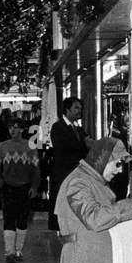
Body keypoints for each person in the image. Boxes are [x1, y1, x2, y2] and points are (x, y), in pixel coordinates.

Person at [0, 117, 41, 263]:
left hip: (25, 188)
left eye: (16, 127)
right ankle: (9, 252)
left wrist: (34, 187)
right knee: (8, 219)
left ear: (22, 129)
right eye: (10, 127)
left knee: (22, 220)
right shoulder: (1, 146)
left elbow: (36, 169)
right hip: (7, 188)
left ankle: (18, 250)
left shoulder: (31, 146)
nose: (12, 130)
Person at [49, 97, 91, 228]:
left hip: (75, 175)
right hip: (64, 175)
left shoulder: (78, 129)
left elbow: (87, 142)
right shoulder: (58, 127)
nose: (80, 111)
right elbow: (64, 150)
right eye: (76, 108)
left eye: (80, 108)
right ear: (67, 110)